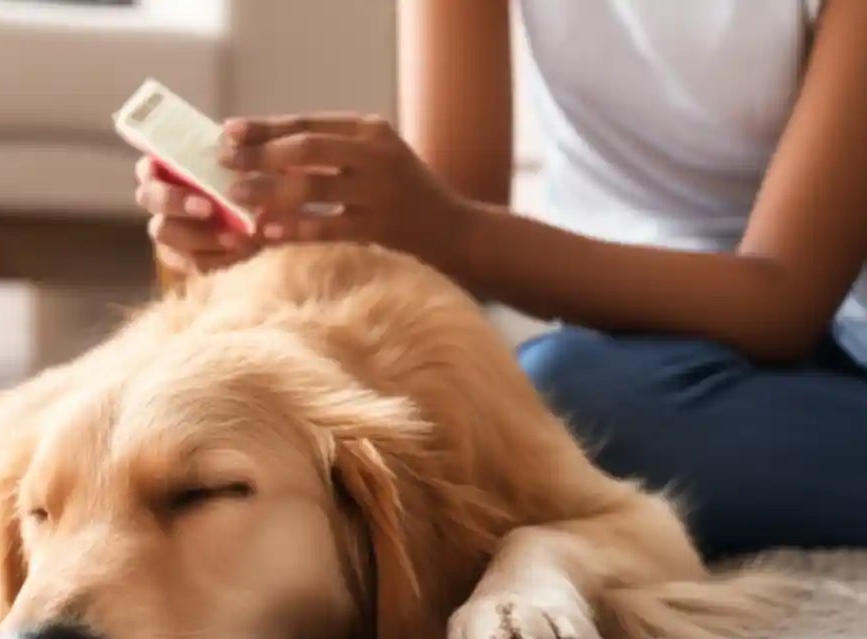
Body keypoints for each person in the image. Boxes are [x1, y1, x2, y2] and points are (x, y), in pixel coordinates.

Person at [132, 0, 867, 559]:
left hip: (830, 323)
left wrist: (446, 227)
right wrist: (279, 237)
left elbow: (783, 300)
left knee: (561, 411)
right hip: (638, 336)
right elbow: (447, 237)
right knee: (520, 403)